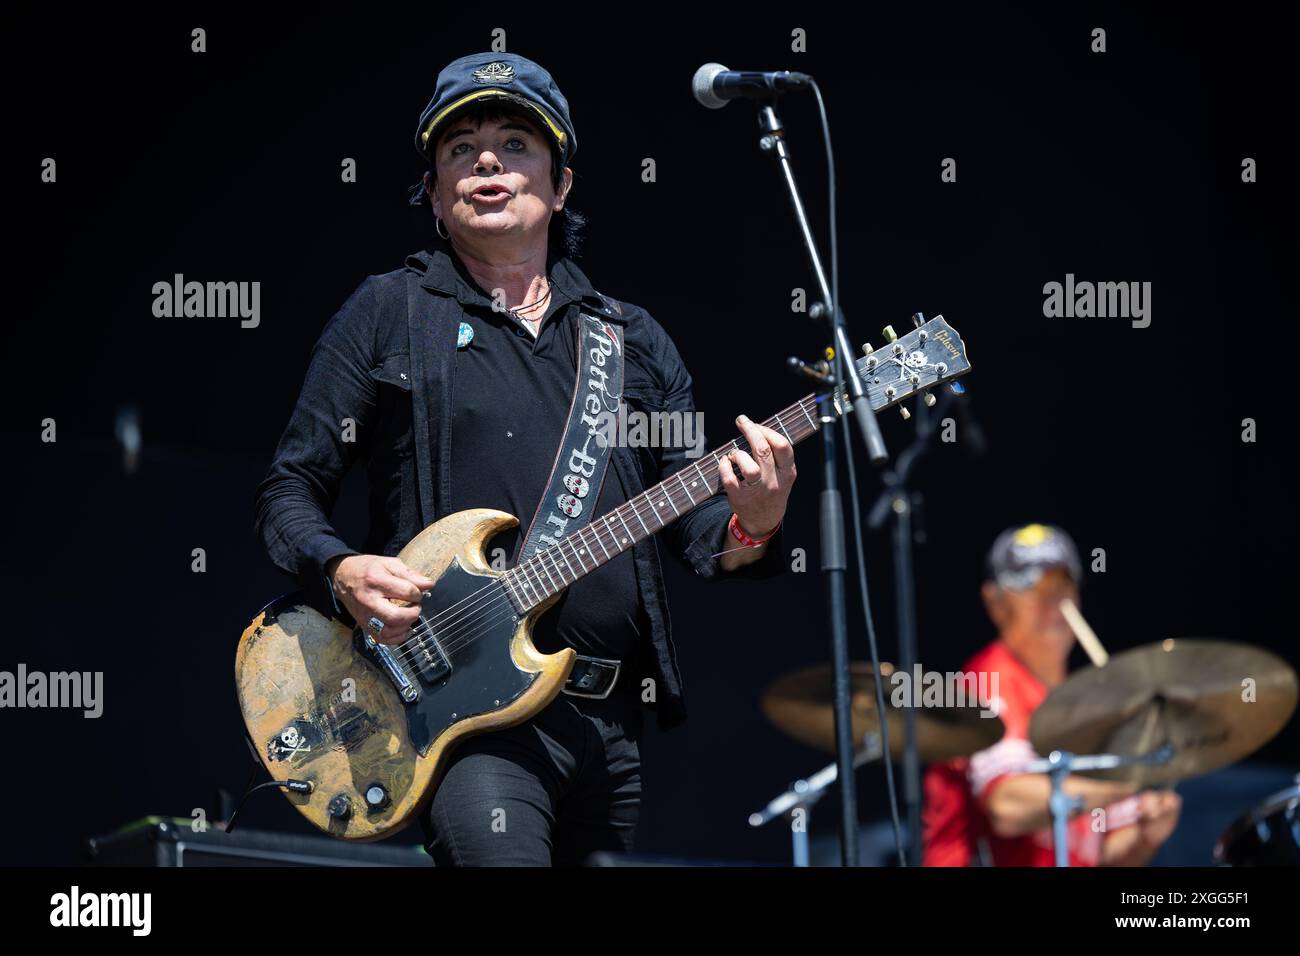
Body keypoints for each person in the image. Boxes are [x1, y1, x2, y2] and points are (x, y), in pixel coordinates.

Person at [253, 52, 797, 865]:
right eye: (459, 150)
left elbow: (697, 536)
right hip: (468, 724)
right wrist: (341, 571)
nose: (486, 162)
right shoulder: (388, 312)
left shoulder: (633, 341)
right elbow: (288, 491)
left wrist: (758, 519)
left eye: (515, 143)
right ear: (435, 194)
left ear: (563, 184)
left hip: (609, 726)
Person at [922, 523, 1181, 866]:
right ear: (995, 603)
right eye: (1033, 589)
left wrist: (1146, 835)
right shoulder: (985, 680)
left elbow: (1103, 856)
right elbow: (1006, 807)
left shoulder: (1088, 703)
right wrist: (1129, 781)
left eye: (1062, 587)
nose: (1053, 603)